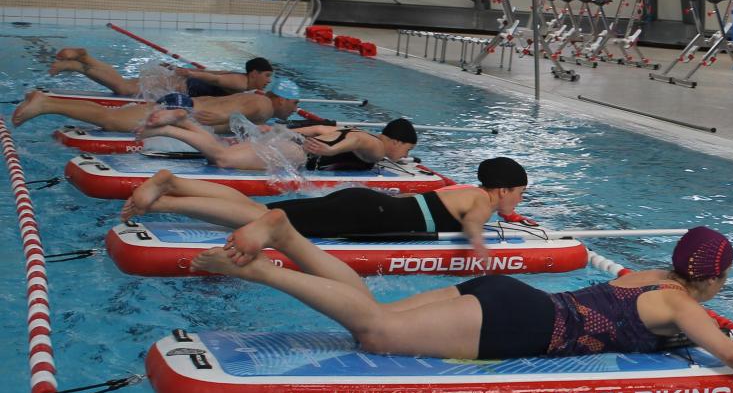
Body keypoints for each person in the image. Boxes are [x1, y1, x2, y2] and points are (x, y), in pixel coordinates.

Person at [191, 219, 733, 393]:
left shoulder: (646, 277)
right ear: (714, 278)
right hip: (522, 326)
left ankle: (294, 238)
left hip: (509, 295)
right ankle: (261, 266)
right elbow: (729, 354)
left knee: (372, 311)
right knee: (374, 331)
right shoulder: (679, 302)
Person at [121, 156, 531, 259]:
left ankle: (173, 186)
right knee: (260, 218)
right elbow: (476, 222)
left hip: (366, 204)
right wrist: (480, 250)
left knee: (256, 206)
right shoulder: (480, 201)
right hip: (365, 215)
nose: (519, 201)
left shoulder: (461, 189)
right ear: (502, 189)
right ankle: (163, 200)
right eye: (520, 193)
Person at [134, 109, 417, 172]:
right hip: (296, 153)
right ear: (397, 141)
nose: (404, 155)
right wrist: (331, 148)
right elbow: (355, 144)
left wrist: (281, 129)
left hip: (290, 140)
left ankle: (183, 122)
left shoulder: (355, 127)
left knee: (220, 151)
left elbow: (318, 126)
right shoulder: (378, 146)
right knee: (222, 159)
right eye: (407, 148)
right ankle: (165, 131)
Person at [10, 88, 299, 132]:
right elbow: (236, 113)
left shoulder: (257, 97)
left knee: (109, 115)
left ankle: (46, 99)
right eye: (294, 104)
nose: (295, 110)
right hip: (183, 109)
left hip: (183, 103)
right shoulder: (262, 104)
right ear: (282, 99)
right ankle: (45, 104)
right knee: (109, 119)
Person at [48, 49, 274, 98]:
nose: (268, 81)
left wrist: (187, 71)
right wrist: (185, 72)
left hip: (179, 82)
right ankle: (84, 59)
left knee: (123, 84)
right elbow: (213, 78)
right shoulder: (241, 83)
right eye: (266, 76)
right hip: (176, 86)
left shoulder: (240, 77)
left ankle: (80, 63)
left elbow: (213, 71)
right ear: (254, 73)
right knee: (123, 88)